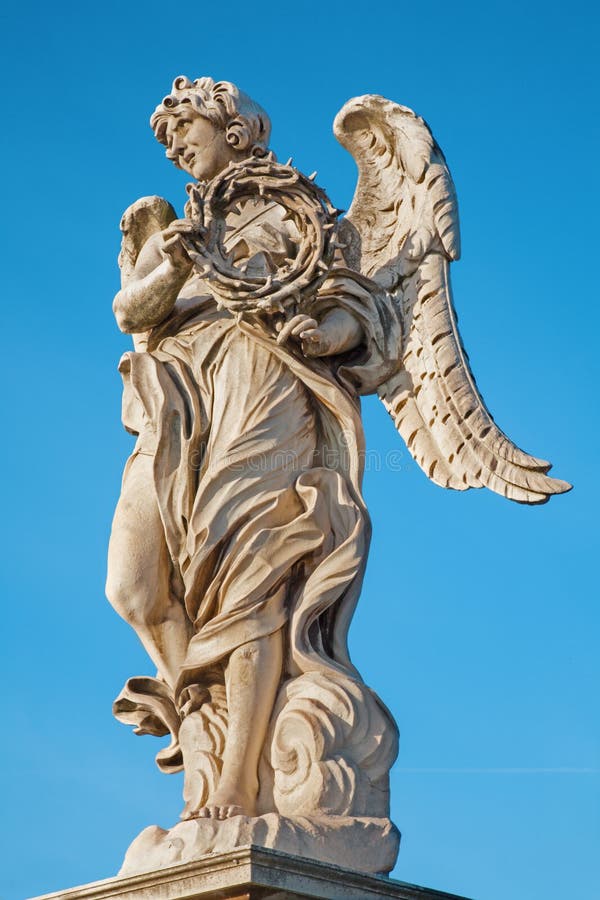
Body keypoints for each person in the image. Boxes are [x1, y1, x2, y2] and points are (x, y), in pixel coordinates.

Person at [106, 76, 401, 821]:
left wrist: (324, 332)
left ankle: (236, 779)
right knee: (134, 587)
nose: (176, 147)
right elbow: (128, 310)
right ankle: (200, 724)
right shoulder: (173, 224)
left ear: (233, 130)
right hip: (181, 409)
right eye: (168, 140)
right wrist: (173, 263)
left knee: (250, 588)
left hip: (266, 389)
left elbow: (358, 309)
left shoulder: (305, 215)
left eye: (187, 130)